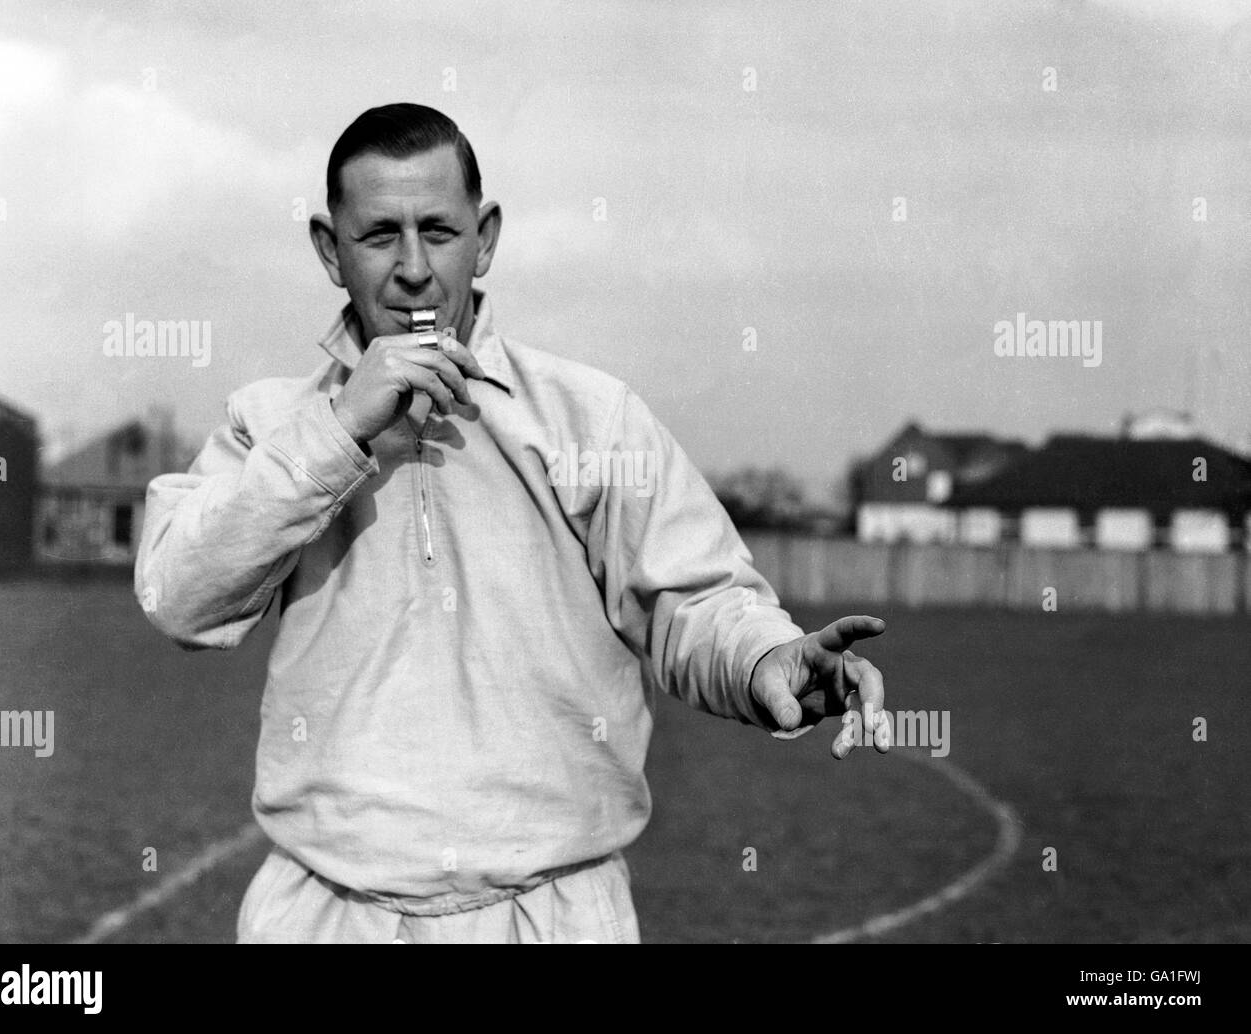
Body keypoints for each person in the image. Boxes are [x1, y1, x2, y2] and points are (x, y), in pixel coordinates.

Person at [134, 102, 892, 944]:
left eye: (441, 231)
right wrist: (341, 427)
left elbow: (693, 600)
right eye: (380, 234)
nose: (414, 268)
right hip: (325, 913)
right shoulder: (270, 421)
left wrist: (766, 658)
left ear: (486, 236)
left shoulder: (590, 418)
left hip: (552, 911)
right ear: (329, 249)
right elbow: (181, 597)